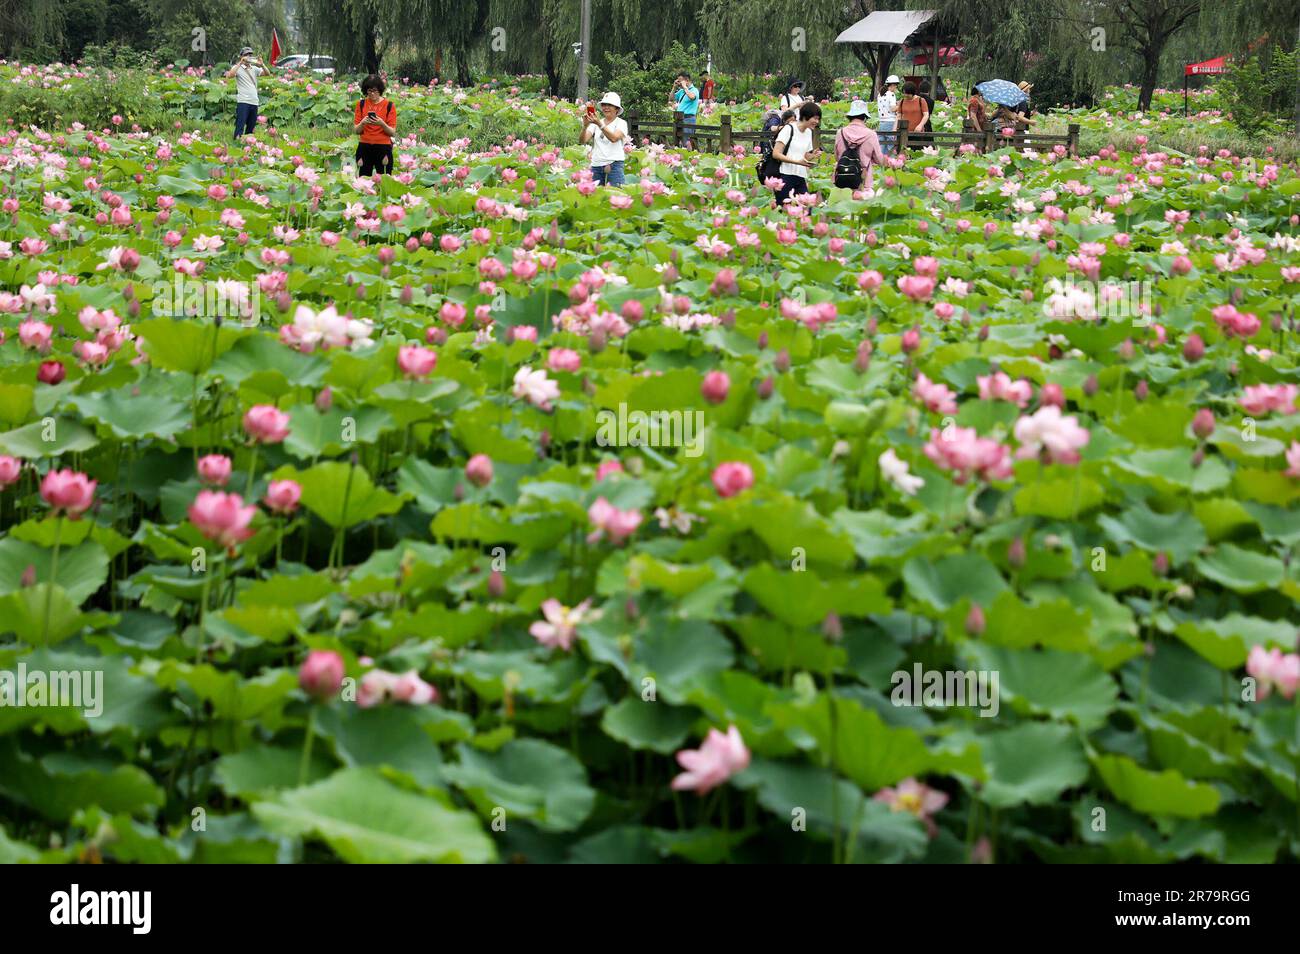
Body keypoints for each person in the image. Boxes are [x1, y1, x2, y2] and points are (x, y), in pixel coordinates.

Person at [771, 101, 821, 207]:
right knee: (784, 212)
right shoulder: (789, 129)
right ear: (806, 116)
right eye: (815, 118)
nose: (817, 121)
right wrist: (797, 162)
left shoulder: (809, 132)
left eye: (818, 119)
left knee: (807, 211)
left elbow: (804, 156)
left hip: (800, 176)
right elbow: (776, 153)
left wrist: (812, 156)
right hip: (784, 176)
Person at [833, 99, 885, 191]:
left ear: (850, 117)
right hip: (863, 180)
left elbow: (837, 157)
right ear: (865, 117)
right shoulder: (871, 134)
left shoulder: (840, 133)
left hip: (842, 178)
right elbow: (879, 160)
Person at [579, 91, 628, 186]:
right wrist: (585, 126)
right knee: (596, 197)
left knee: (615, 196)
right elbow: (582, 140)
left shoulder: (621, 123)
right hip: (596, 165)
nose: (606, 107)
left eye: (609, 105)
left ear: (616, 109)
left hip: (614, 165)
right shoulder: (596, 123)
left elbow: (614, 138)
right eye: (604, 105)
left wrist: (599, 124)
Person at [353, 74, 397, 176]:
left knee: (384, 179)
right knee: (363, 180)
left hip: (383, 147)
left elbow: (392, 132)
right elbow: (356, 131)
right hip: (364, 146)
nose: (372, 94)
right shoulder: (361, 104)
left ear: (380, 90)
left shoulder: (389, 105)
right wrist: (363, 123)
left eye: (375, 91)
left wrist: (382, 124)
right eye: (369, 91)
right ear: (365, 91)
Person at [225, 47, 271, 140]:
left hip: (254, 102)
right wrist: (240, 63)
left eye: (250, 55)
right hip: (243, 101)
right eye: (246, 55)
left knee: (251, 127)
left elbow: (267, 73)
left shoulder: (254, 68)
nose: (248, 57)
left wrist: (262, 65)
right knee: (240, 125)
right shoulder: (237, 67)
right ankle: (236, 143)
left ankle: (248, 145)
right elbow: (230, 75)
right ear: (241, 56)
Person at [670, 72, 699, 149]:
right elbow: (671, 99)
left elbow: (692, 97)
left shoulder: (694, 90)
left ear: (686, 80)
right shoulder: (681, 91)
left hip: (689, 119)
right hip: (679, 119)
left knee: (687, 142)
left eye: (680, 81)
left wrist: (685, 87)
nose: (679, 83)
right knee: (677, 140)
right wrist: (674, 88)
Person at [897, 81, 929, 150]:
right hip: (903, 133)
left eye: (907, 93)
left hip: (917, 133)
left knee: (916, 154)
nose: (905, 95)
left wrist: (920, 125)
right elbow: (898, 116)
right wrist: (895, 128)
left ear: (912, 92)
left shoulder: (921, 100)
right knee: (904, 153)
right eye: (904, 93)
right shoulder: (902, 101)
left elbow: (926, 115)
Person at [877, 74, 900, 155]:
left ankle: (881, 165)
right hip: (890, 123)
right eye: (896, 86)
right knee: (891, 147)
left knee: (882, 147)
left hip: (881, 123)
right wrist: (900, 105)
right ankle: (891, 165)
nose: (896, 88)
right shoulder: (891, 94)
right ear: (893, 85)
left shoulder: (880, 94)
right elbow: (893, 108)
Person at [916, 80, 936, 144]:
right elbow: (929, 113)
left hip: (915, 124)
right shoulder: (931, 101)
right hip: (926, 124)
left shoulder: (915, 99)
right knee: (928, 145)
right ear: (929, 90)